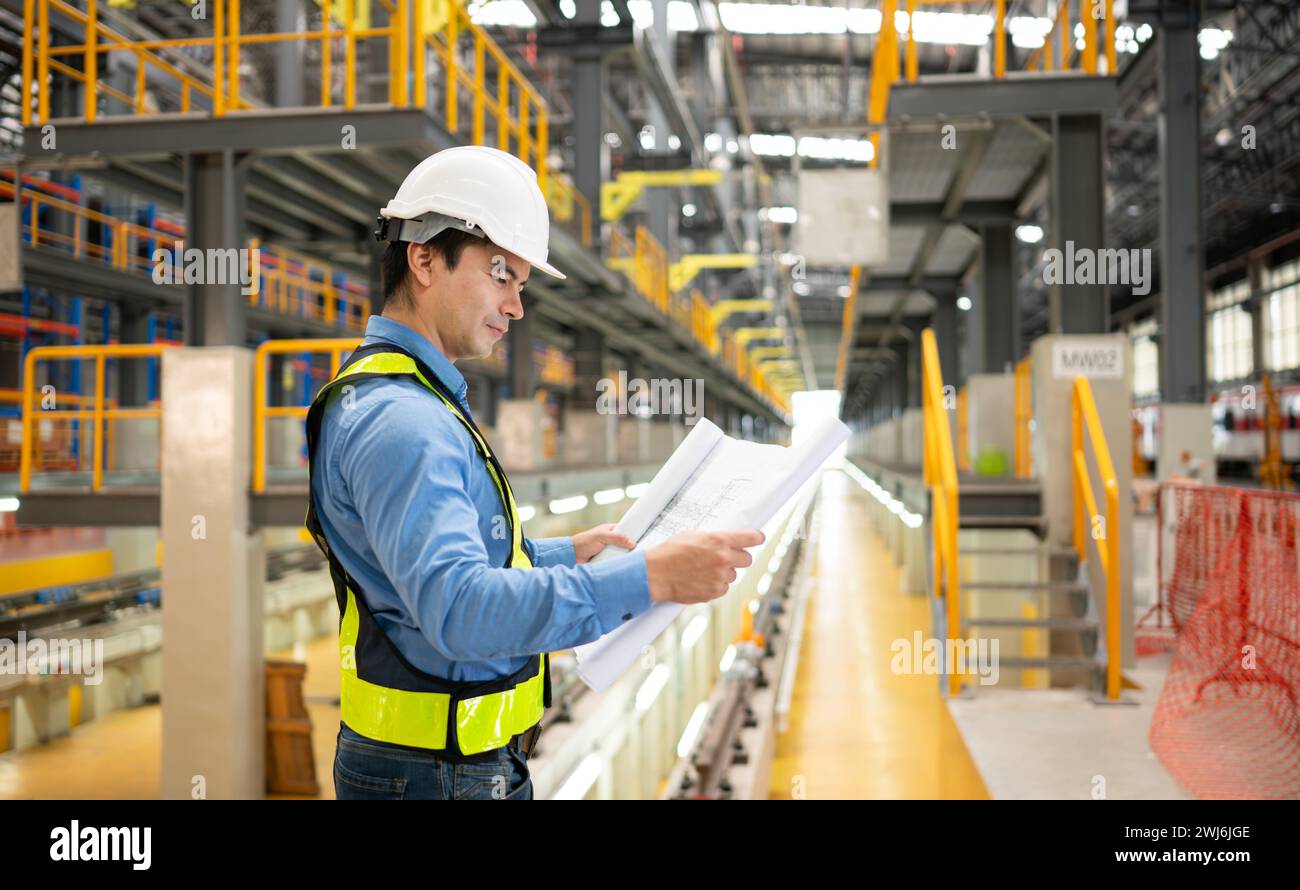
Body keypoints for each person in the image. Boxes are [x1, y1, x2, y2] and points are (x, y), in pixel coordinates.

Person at [304, 146, 763, 800]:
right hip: (436, 777)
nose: (516, 306)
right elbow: (458, 609)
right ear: (424, 257)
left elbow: (425, 577)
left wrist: (560, 556)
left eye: (521, 282)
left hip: (441, 767)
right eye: (501, 276)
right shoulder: (404, 420)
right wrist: (650, 577)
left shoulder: (410, 400)